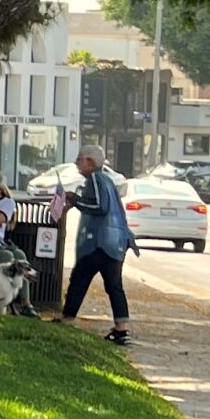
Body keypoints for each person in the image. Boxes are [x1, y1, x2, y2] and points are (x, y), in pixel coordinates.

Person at [61, 144, 133, 344]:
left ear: (90, 162)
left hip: (100, 242)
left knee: (80, 278)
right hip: (116, 242)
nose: (77, 162)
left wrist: (75, 200)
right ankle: (122, 328)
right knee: (114, 285)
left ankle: (67, 317)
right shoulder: (107, 181)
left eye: (80, 159)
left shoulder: (95, 178)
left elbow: (99, 207)